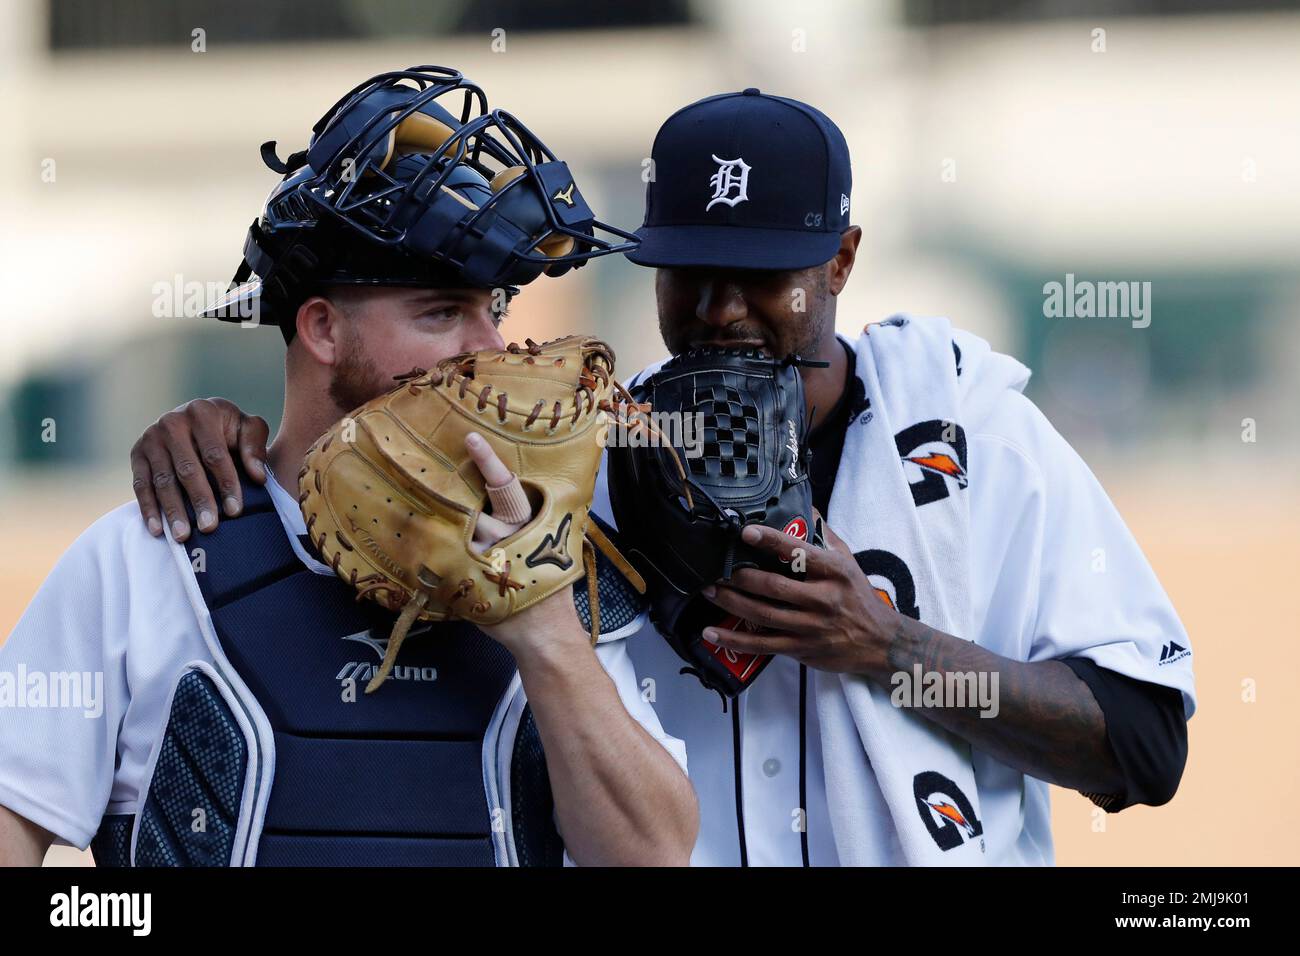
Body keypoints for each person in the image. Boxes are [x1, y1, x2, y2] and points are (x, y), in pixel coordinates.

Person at [114, 89, 1194, 866]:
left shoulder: (969, 437)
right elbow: (356, 455)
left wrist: (889, 647)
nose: (723, 309)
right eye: (691, 271)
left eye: (764, 274)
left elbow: (1142, 747)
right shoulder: (576, 444)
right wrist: (217, 434)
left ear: (842, 260)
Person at [0, 67, 696, 868]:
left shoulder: (547, 553)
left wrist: (545, 636)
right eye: (441, 313)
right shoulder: (145, 558)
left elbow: (653, 856)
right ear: (323, 330)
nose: (490, 348)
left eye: (491, 310)